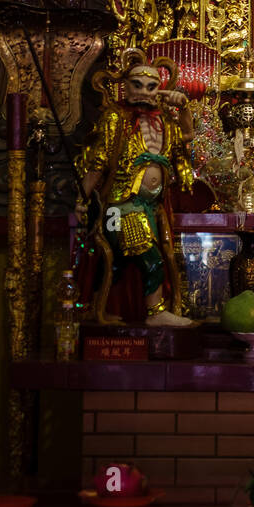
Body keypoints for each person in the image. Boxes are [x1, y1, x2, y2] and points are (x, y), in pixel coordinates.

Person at [76, 50, 196, 325]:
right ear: (125, 86)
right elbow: (97, 164)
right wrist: (81, 200)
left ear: (160, 89)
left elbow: (187, 135)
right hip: (119, 207)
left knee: (118, 263)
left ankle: (97, 308)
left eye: (151, 87)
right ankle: (155, 313)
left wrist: (184, 107)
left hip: (152, 208)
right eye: (137, 85)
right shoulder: (115, 118)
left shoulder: (165, 120)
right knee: (148, 256)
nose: (143, 92)